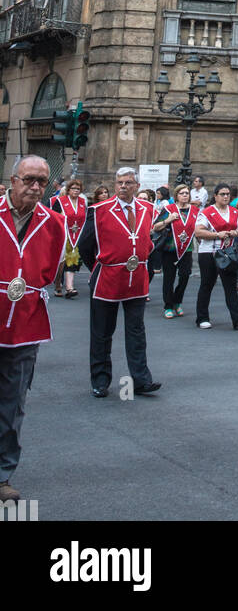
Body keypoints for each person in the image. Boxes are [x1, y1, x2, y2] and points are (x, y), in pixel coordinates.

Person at [0, 155, 66, 501]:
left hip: (26, 323)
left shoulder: (54, 223)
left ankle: (1, 475)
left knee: (12, 404)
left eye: (42, 181)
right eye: (29, 179)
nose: (36, 187)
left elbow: (51, 269)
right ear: (13, 180)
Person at [78, 167, 161, 398]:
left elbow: (148, 241)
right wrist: (99, 266)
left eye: (128, 182)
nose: (123, 186)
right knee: (102, 332)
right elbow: (85, 245)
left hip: (136, 280)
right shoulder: (98, 210)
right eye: (119, 182)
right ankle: (100, 380)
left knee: (137, 331)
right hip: (107, 278)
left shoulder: (148, 209)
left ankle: (141, 379)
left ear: (137, 186)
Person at [195, 183, 238, 330]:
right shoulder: (207, 212)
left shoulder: (234, 211)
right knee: (207, 284)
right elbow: (198, 232)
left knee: (230, 286)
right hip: (208, 253)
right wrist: (216, 235)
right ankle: (202, 318)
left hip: (227, 253)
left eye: (227, 194)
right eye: (222, 194)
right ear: (215, 196)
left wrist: (236, 233)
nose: (226, 197)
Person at [153, 183, 198, 317]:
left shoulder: (195, 211)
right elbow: (156, 227)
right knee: (169, 278)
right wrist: (168, 220)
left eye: (187, 193)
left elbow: (199, 228)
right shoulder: (168, 209)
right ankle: (168, 306)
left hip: (186, 249)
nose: (185, 195)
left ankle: (177, 302)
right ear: (176, 196)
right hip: (170, 248)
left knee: (184, 276)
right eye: (182, 193)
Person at [51, 177, 87, 298]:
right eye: (73, 188)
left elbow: (84, 218)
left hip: (76, 236)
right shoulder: (61, 201)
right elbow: (53, 218)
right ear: (68, 190)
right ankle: (57, 284)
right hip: (62, 235)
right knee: (61, 262)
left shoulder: (82, 202)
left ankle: (70, 288)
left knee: (72, 261)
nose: (76, 191)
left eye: (78, 189)